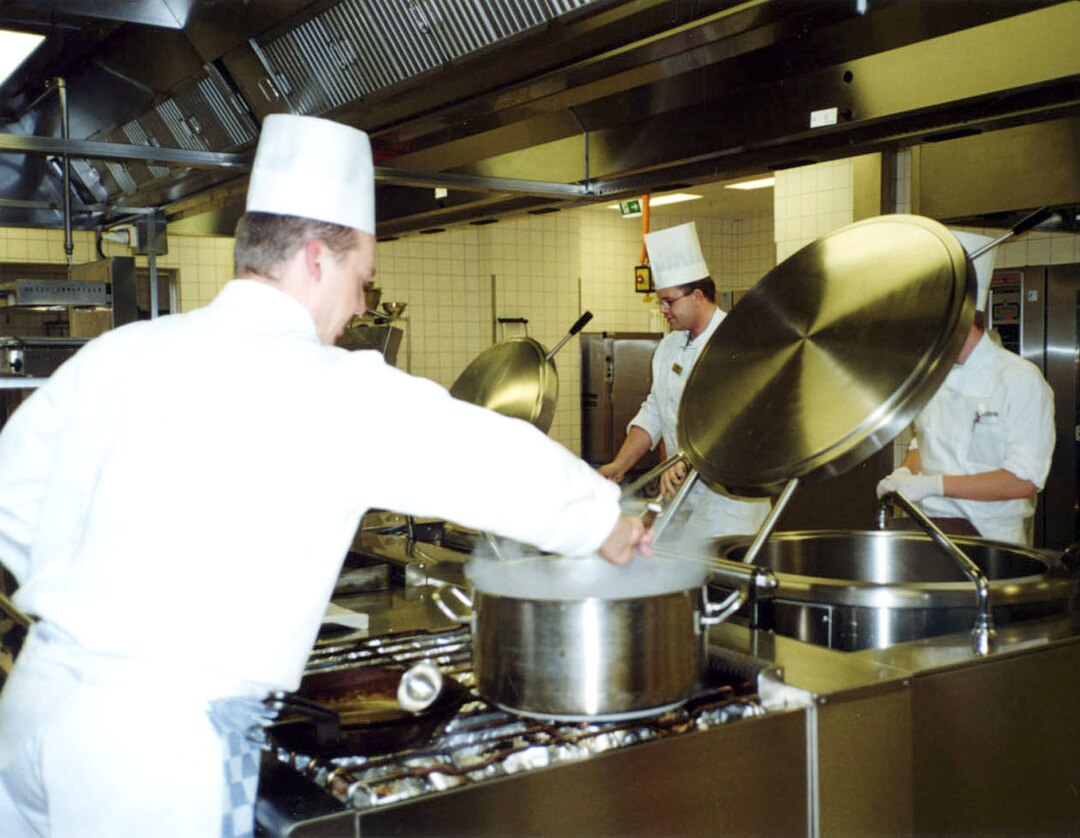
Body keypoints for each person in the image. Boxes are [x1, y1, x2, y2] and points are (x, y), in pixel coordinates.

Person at [0, 114, 651, 837]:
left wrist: (90, 604)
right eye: (361, 279)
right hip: (154, 750)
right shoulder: (326, 385)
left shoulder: (121, 354)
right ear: (316, 259)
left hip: (36, 703)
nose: (359, 307)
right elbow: (481, 455)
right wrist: (605, 522)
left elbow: (12, 494)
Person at [876, 230, 1055, 546]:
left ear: (958, 319)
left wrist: (935, 485)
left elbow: (1022, 481)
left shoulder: (1019, 379)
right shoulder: (933, 377)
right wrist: (905, 473)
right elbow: (925, 445)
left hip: (991, 539)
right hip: (928, 528)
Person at [599, 222, 769, 540]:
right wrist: (620, 464)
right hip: (680, 493)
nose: (663, 310)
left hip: (730, 502)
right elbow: (654, 411)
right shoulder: (669, 346)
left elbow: (743, 420)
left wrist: (689, 459)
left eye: (669, 301)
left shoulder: (737, 344)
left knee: (719, 581)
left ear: (697, 295)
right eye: (660, 301)